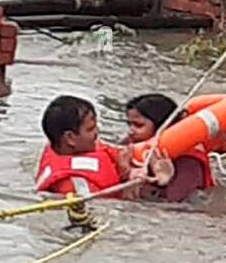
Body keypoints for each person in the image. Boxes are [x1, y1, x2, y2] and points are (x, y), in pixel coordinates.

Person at [35, 94, 151, 228]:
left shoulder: (75, 147)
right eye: (90, 129)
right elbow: (95, 220)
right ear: (70, 138)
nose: (97, 133)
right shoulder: (74, 186)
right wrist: (129, 188)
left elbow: (115, 152)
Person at [125, 94, 215, 203]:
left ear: (162, 126)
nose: (130, 131)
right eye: (129, 124)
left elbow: (173, 206)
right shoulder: (131, 145)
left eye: (138, 125)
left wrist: (163, 181)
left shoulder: (189, 162)